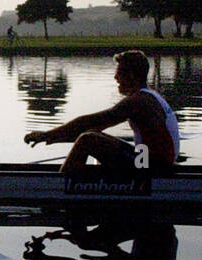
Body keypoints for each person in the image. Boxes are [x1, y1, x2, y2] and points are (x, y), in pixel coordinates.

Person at [24, 50, 178, 174]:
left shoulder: (138, 101)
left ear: (130, 75)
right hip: (154, 162)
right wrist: (57, 137)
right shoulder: (151, 95)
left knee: (88, 139)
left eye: (119, 73)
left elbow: (88, 122)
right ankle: (94, 185)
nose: (115, 77)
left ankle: (60, 187)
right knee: (94, 135)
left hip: (153, 167)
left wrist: (47, 135)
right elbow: (95, 127)